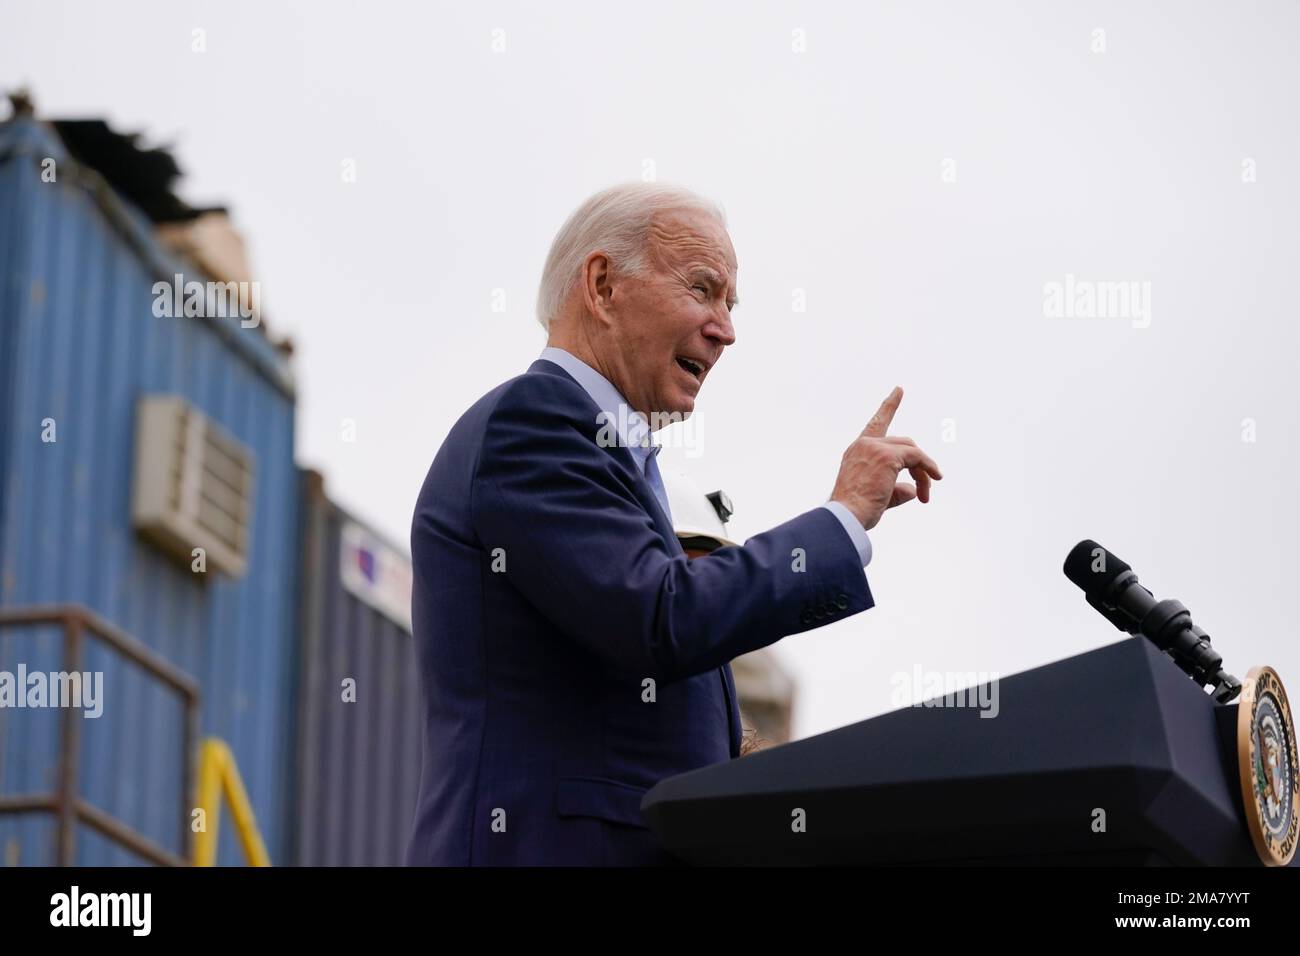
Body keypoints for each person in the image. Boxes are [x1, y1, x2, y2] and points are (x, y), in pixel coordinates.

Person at [406, 182, 943, 866]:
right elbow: (662, 617)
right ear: (601, 286)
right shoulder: (533, 423)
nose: (726, 328)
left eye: (730, 302)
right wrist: (840, 521)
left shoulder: (615, 455)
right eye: (702, 289)